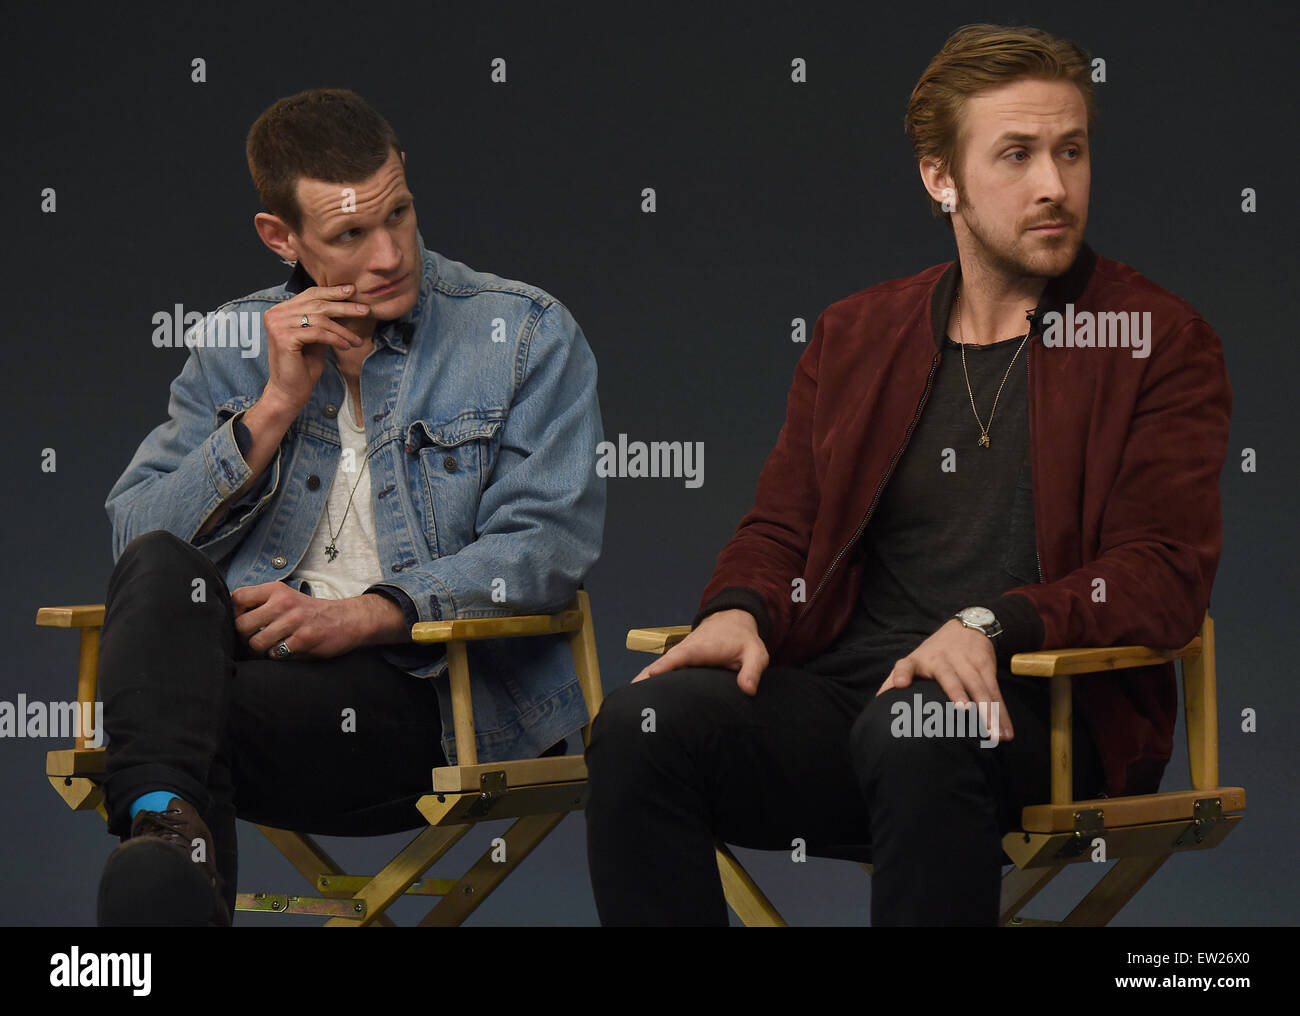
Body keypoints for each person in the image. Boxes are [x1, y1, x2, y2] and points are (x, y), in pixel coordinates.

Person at [584, 24, 1231, 926]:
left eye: (1071, 151)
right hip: (849, 700)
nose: (1055, 184)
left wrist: (989, 624)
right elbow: (781, 525)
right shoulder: (857, 334)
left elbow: (1165, 571)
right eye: (1017, 155)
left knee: (916, 727)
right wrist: (739, 607)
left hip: (1043, 710)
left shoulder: (1156, 339)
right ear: (942, 180)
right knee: (639, 727)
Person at [97, 88, 605, 925]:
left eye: (398, 214)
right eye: (350, 235)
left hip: (433, 700)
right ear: (280, 238)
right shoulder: (237, 341)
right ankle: (166, 832)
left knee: (175, 730)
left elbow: (545, 546)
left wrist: (371, 614)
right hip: (251, 685)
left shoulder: (522, 334)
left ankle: (158, 836)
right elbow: (134, 542)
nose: (388, 254)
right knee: (160, 566)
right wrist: (271, 409)